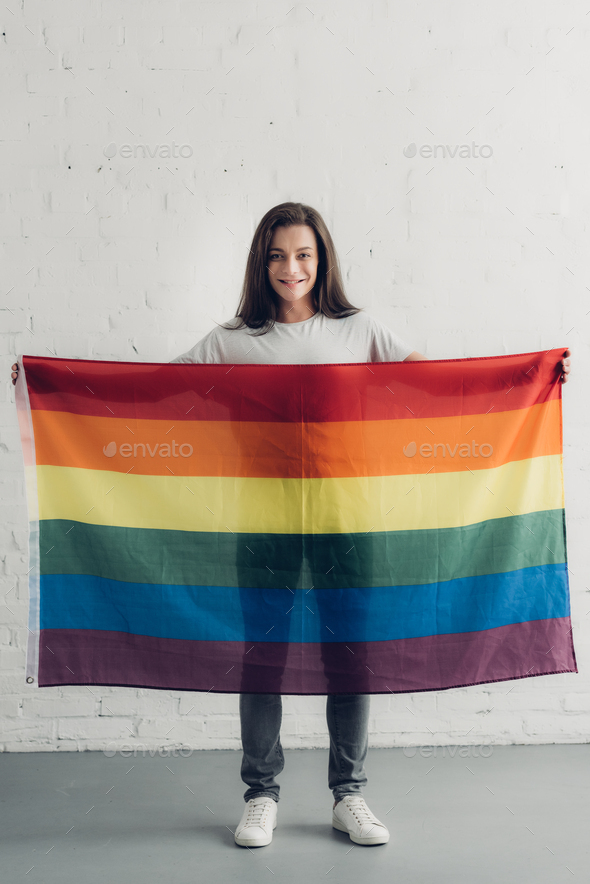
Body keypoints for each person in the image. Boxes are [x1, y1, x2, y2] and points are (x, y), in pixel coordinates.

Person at [10, 202, 572, 850]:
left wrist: (533, 377)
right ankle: (260, 796)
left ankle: (348, 794)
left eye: (303, 254)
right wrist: (50, 385)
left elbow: (437, 385)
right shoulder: (232, 341)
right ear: (262, 263)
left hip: (348, 525)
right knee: (263, 660)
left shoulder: (358, 331)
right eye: (277, 255)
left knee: (351, 659)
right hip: (262, 528)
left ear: (322, 259)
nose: (291, 267)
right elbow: (155, 392)